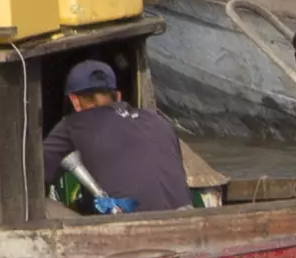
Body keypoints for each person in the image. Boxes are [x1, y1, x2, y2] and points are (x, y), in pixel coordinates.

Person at [43, 54, 197, 214]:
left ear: (74, 101)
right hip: (187, 216)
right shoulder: (157, 120)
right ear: (118, 96)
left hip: (134, 227)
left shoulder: (72, 124)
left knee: (43, 208)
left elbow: (32, 176)